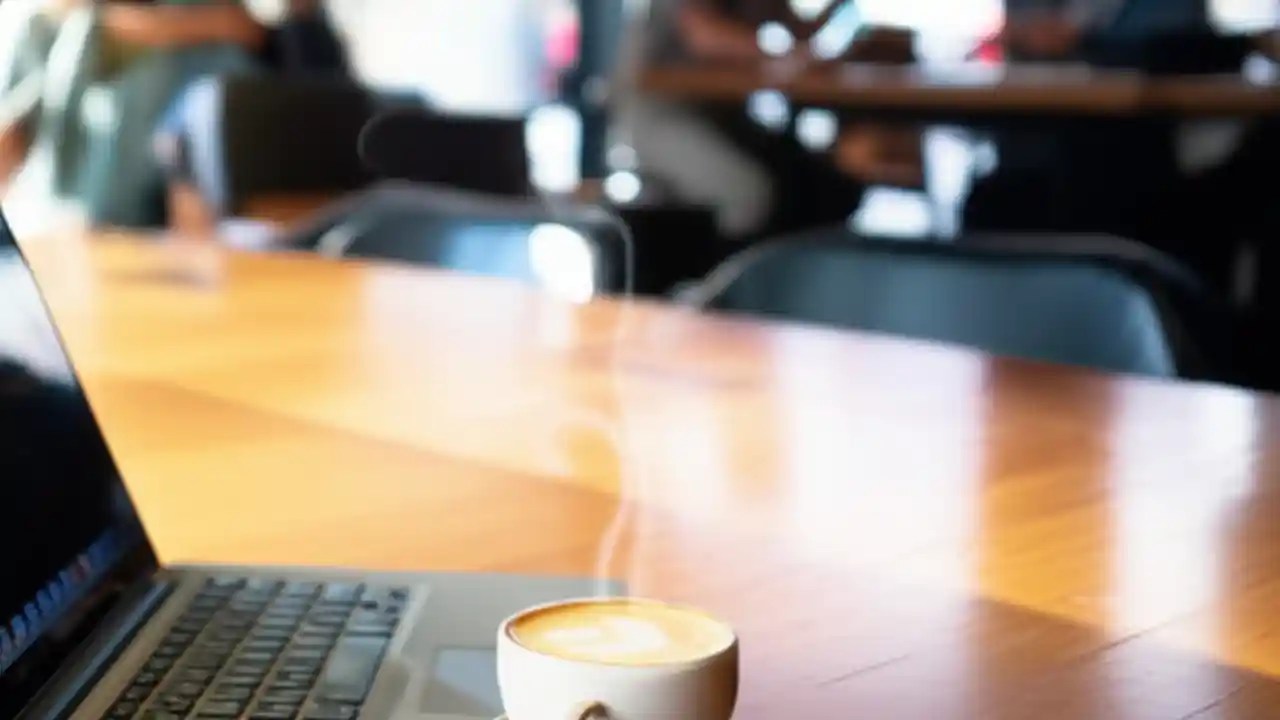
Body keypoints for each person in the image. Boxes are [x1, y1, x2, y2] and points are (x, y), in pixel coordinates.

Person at [0, 0, 269, 228]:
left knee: (141, 80)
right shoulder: (49, 30)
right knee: (66, 35)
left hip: (180, 107)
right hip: (76, 176)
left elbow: (247, 29)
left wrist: (158, 27)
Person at [618, 0, 871, 239]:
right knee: (747, 195)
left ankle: (801, 268)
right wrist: (784, 52)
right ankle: (719, 271)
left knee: (824, 184)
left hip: (723, 118)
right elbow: (706, 37)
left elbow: (799, 30)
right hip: (661, 116)